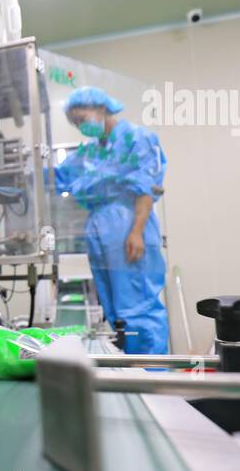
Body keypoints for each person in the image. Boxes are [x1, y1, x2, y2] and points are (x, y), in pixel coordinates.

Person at [54, 86, 169, 354]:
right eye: (75, 123)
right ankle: (128, 365)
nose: (80, 126)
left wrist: (136, 232)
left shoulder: (137, 138)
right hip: (99, 229)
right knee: (113, 305)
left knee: (137, 302)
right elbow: (56, 176)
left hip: (127, 224)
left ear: (101, 108)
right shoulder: (90, 153)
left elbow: (147, 186)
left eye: (82, 119)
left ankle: (152, 373)